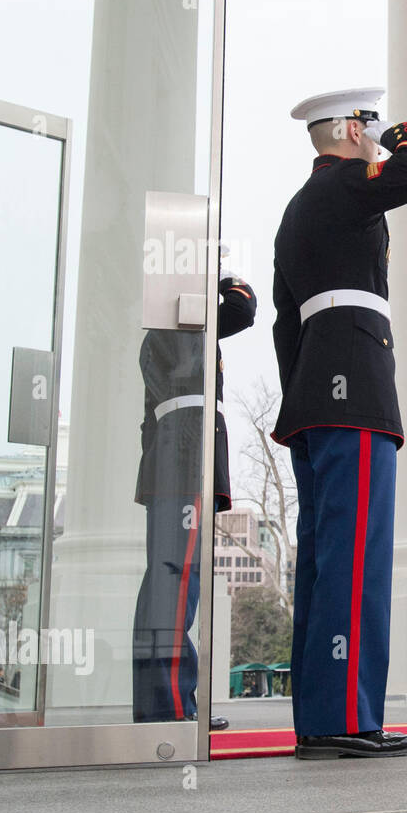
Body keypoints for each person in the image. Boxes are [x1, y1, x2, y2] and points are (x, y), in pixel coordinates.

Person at [272, 88, 407, 759]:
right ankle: (347, 716)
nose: (376, 137)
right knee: (355, 557)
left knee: (323, 559)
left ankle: (323, 717)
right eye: (368, 125)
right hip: (354, 386)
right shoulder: (345, 180)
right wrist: (401, 128)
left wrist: (301, 401)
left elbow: (287, 325)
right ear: (347, 128)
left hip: (317, 391)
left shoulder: (295, 210)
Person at [132, 269, 255, 730]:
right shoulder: (175, 329)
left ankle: (166, 704)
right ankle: (170, 708)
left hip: (178, 461)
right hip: (184, 459)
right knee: (176, 585)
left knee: (173, 586)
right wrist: (225, 278)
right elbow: (243, 307)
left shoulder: (167, 335)